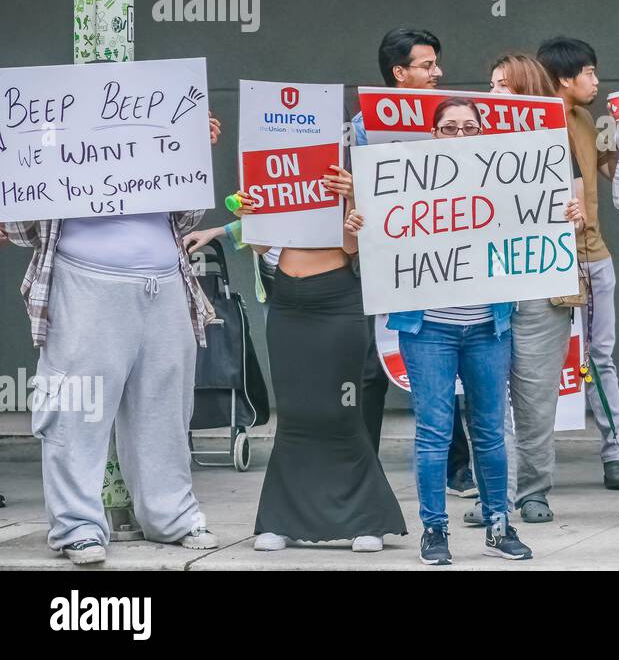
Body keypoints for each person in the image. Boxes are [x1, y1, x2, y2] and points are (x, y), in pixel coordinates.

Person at [1, 115, 225, 565]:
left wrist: (193, 149)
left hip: (164, 282)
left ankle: (172, 517)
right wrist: (20, 160)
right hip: (84, 282)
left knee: (164, 408)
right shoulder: (54, 131)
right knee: (75, 408)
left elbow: (185, 217)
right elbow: (20, 227)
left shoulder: (152, 129)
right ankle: (77, 527)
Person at [347, 98, 531, 565]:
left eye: (470, 128)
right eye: (450, 128)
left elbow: (534, 226)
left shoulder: (506, 184)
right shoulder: (406, 185)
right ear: (433, 135)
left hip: (489, 327)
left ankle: (498, 524)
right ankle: (435, 530)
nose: (461, 136)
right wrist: (358, 223)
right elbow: (373, 242)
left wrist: (562, 216)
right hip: (428, 328)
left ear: (484, 134)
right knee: (433, 432)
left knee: (489, 431)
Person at [213, 164, 407, 554]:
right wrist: (250, 216)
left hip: (338, 302)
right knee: (295, 412)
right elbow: (260, 247)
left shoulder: (341, 178)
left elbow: (352, 248)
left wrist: (352, 197)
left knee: (341, 412)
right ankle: (279, 520)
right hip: (287, 303)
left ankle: (365, 519)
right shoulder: (276, 177)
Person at [349, 27, 477, 493]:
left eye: (436, 63)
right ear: (398, 74)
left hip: (447, 260)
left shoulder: (455, 119)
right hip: (389, 262)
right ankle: (365, 471)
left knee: (452, 357)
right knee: (372, 368)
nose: (438, 71)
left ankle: (457, 465)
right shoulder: (364, 127)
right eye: (426, 65)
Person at [482, 53, 585, 524]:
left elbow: (576, 203)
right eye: (490, 85)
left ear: (527, 93)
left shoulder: (555, 142)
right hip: (484, 286)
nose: (492, 94)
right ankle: (494, 496)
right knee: (486, 399)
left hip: (540, 288)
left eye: (504, 86)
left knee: (535, 398)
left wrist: (574, 215)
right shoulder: (467, 143)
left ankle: (533, 492)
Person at [537, 37, 619, 490]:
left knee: (600, 356)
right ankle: (533, 464)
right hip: (544, 262)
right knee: (537, 361)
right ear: (563, 78)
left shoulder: (587, 117)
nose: (596, 80)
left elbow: (613, 173)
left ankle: (616, 454)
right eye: (589, 72)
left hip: (594, 256)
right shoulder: (530, 122)